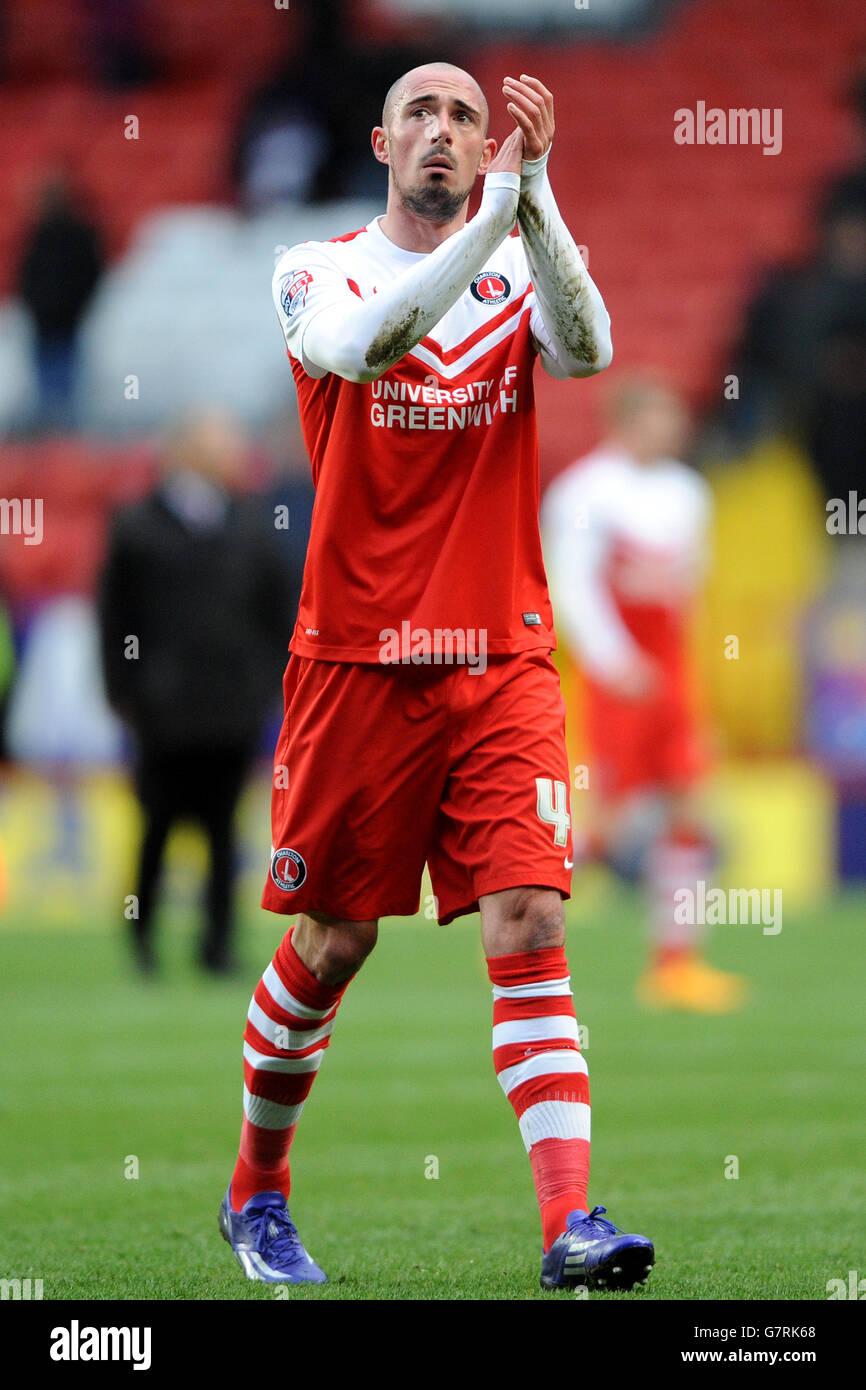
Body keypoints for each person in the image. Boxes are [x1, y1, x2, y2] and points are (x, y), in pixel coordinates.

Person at [218, 63, 655, 1294]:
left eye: (468, 117)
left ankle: (568, 1221)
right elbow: (374, 342)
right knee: (334, 938)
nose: (445, 132)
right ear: (380, 140)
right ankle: (256, 1191)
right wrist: (489, 221)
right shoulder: (316, 269)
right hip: (356, 660)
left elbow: (590, 348)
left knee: (532, 916)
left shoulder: (513, 265)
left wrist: (540, 198)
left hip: (500, 652)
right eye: (422, 112)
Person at [543, 374, 748, 1012]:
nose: (677, 427)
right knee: (603, 817)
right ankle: (522, 935)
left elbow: (687, 589)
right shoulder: (585, 491)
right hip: (614, 677)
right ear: (628, 421)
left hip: (671, 674)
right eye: (663, 414)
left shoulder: (689, 493)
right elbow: (572, 586)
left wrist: (690, 683)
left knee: (688, 804)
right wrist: (614, 663)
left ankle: (676, 963)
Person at [98, 409, 294, 975]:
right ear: (186, 451)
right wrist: (123, 690)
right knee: (155, 827)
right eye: (221, 443)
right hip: (162, 712)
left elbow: (277, 615)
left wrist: (264, 687)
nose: (235, 454)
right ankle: (142, 940)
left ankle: (218, 944)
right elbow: (116, 618)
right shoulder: (137, 525)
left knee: (223, 833)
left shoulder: (251, 525)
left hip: (231, 708)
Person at [17, 170, 104, 432]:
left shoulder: (80, 235)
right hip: (43, 323)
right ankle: (48, 433)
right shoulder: (38, 234)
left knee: (67, 384)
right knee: (45, 385)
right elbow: (27, 277)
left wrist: (74, 308)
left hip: (68, 322)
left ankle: (66, 436)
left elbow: (90, 275)